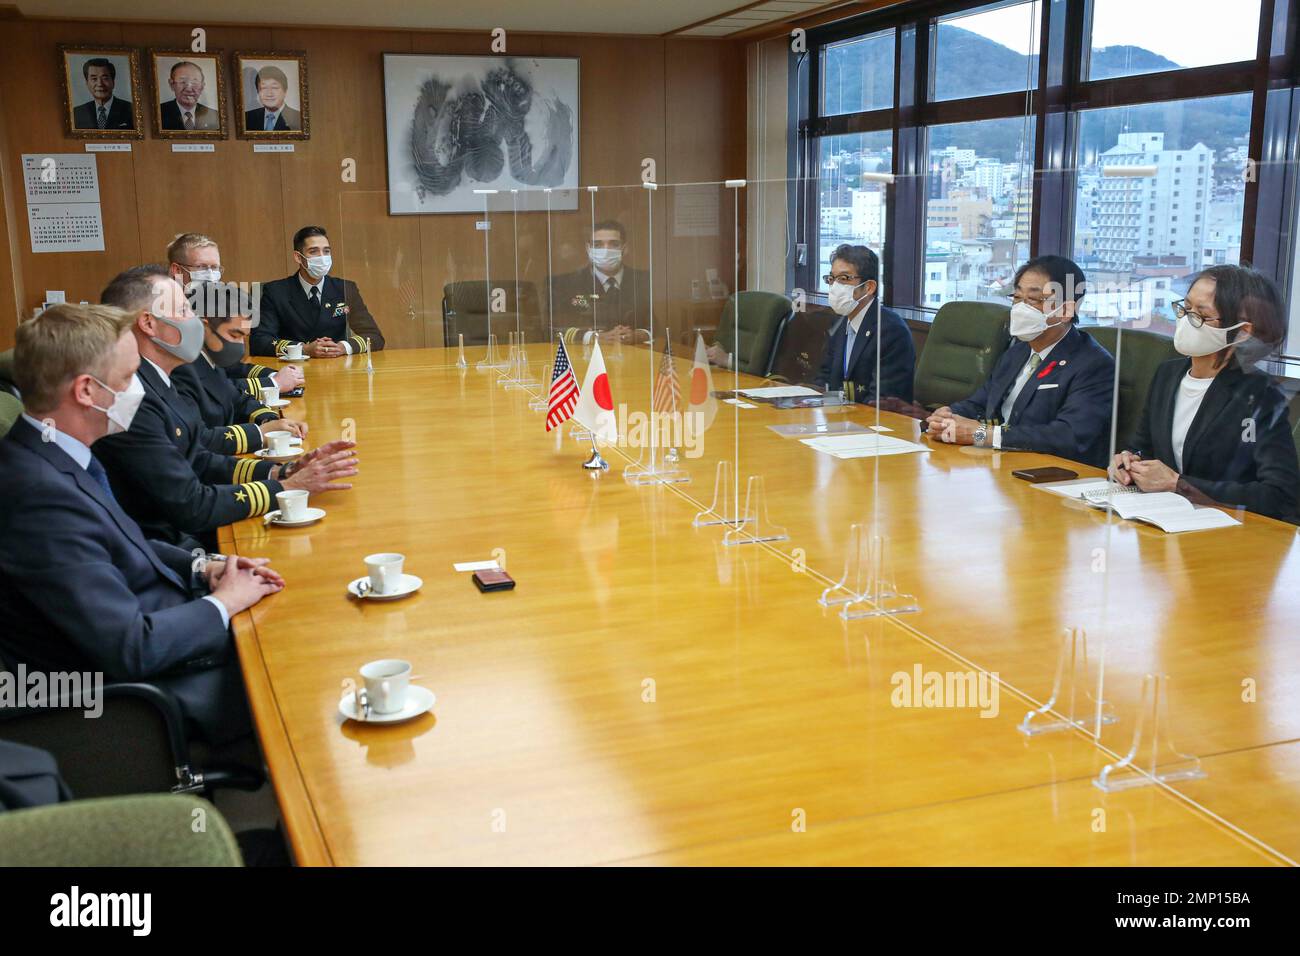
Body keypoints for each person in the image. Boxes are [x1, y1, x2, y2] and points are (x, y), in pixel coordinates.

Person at [0, 303, 282, 745]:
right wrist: (224, 604)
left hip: (167, 623)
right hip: (135, 701)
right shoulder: (38, 495)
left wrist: (203, 566)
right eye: (129, 378)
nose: (140, 391)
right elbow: (131, 648)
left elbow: (123, 543)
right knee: (288, 666)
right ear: (87, 392)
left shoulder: (58, 450)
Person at [94, 265, 357, 548]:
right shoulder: (132, 397)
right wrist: (285, 488)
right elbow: (190, 505)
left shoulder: (160, 378)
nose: (196, 321)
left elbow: (199, 459)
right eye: (184, 310)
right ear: (148, 323)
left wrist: (281, 472)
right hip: (174, 548)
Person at [1109, 265, 1299, 522]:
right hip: (1159, 522)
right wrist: (1128, 462)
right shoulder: (1168, 374)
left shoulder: (1259, 394)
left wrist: (1179, 484)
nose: (1186, 319)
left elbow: (1280, 496)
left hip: (1231, 534)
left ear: (1243, 332)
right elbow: (1143, 447)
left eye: (1201, 315)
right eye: (1185, 308)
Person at [925, 255, 1115, 467]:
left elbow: (1068, 436)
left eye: (1033, 300)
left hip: (1048, 474)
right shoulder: (1018, 350)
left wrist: (982, 434)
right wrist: (948, 417)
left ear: (1065, 310)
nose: (1020, 309)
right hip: (998, 465)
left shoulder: (1092, 364)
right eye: (1016, 298)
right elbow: (980, 403)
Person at [173, 281, 309, 456]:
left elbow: (237, 399)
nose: (240, 346)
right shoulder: (182, 369)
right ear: (203, 327)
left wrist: (272, 421)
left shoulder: (210, 360)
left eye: (244, 337)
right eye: (234, 335)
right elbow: (199, 439)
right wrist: (260, 433)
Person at [166, 232, 304, 396]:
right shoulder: (170, 319)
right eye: (202, 267)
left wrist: (274, 374)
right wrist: (274, 383)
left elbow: (228, 366)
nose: (211, 275)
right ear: (176, 270)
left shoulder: (210, 306)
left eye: (215, 268)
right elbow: (208, 387)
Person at [251, 226, 385, 357]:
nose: (322, 257)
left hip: (338, 368)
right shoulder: (276, 292)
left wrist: (343, 347)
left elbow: (374, 336)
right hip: (294, 371)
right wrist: (304, 349)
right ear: (298, 257)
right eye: (313, 251)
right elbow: (259, 341)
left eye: (326, 251)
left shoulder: (345, 288)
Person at [808, 244, 914, 403]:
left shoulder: (891, 331)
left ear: (869, 287)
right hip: (839, 417)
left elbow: (881, 401)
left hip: (877, 421)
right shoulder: (840, 322)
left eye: (844, 279)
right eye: (831, 279)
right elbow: (824, 379)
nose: (835, 287)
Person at [549, 220, 650, 346]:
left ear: (625, 248)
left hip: (634, 356)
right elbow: (553, 329)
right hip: (585, 359)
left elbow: (656, 324)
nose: (606, 250)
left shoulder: (644, 280)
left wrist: (638, 335)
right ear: (588, 249)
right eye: (598, 244)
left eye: (614, 244)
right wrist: (592, 337)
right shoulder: (565, 284)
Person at [72, 57, 134, 130]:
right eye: (94, 79)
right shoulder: (77, 113)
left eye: (105, 78)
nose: (100, 84)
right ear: (87, 83)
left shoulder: (131, 110)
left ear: (113, 82)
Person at [159, 60, 219, 131]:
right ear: (172, 84)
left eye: (194, 82)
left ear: (202, 86)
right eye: (183, 82)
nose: (189, 89)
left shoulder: (215, 116)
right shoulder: (159, 113)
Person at [244, 65, 300, 131]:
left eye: (274, 88)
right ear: (258, 92)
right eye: (263, 88)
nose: (269, 93)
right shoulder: (247, 118)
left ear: (285, 91)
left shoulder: (298, 118)